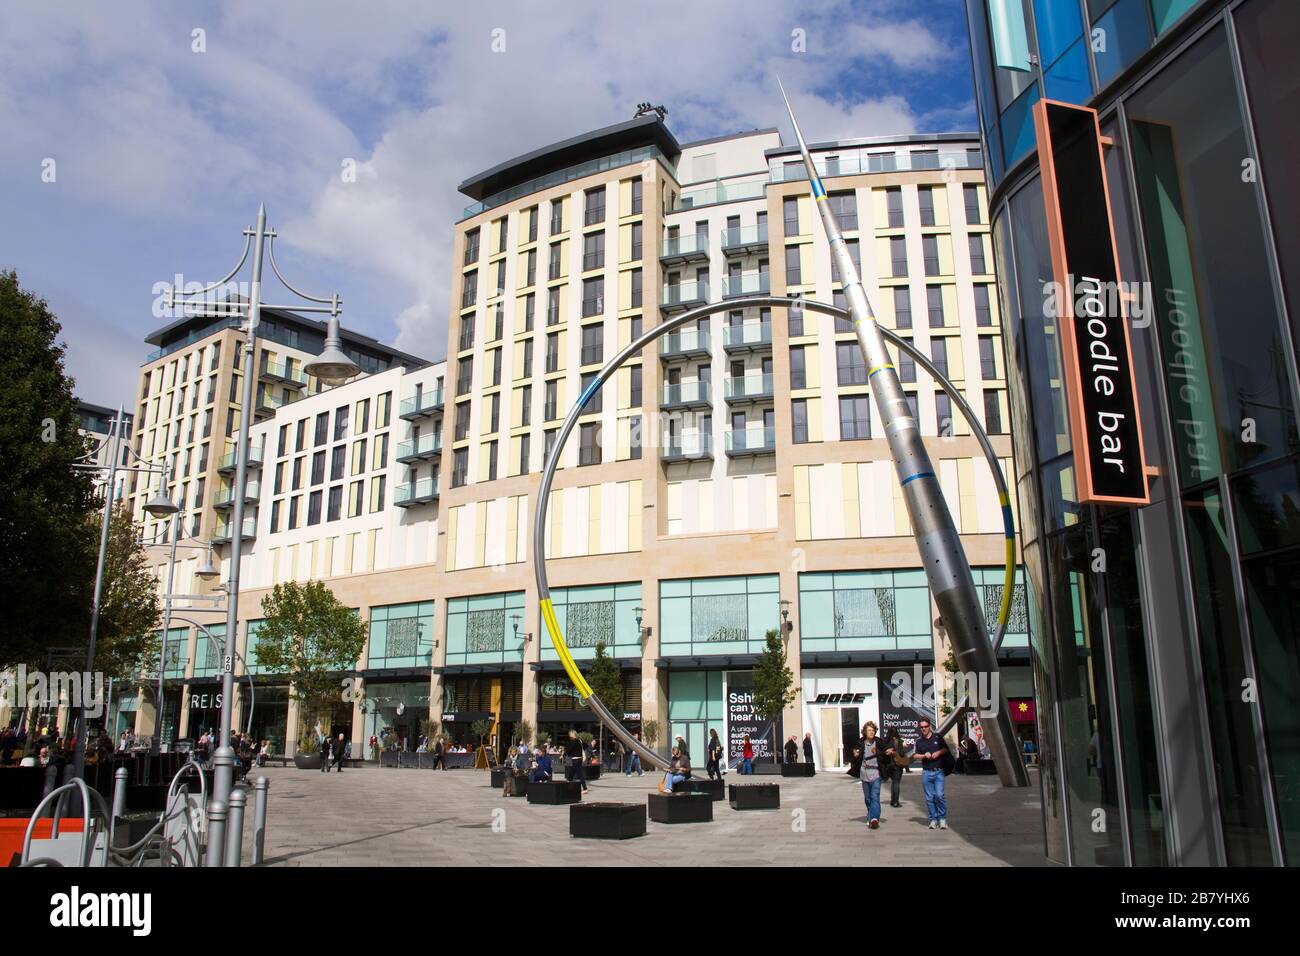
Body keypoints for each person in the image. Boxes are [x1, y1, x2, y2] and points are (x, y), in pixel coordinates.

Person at [912, 718, 950, 829]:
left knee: (939, 795)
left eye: (925, 726)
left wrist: (938, 752)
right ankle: (933, 819)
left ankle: (942, 819)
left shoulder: (937, 737)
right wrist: (924, 755)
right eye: (921, 727)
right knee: (929, 798)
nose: (923, 729)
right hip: (927, 772)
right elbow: (914, 755)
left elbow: (945, 749)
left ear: (929, 726)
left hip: (938, 771)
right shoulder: (919, 741)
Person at [858, 721, 887, 828]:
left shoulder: (879, 742)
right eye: (869, 730)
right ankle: (870, 814)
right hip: (864, 773)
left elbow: (886, 754)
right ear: (865, 732)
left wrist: (888, 752)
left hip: (876, 773)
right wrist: (855, 755)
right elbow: (856, 756)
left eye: (873, 730)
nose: (871, 732)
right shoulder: (861, 742)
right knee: (868, 798)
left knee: (875, 796)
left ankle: (874, 819)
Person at [881, 726, 909, 808]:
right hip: (897, 765)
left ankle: (892, 800)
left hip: (889, 765)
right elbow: (901, 753)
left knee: (893, 782)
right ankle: (895, 801)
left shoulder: (885, 741)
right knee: (896, 782)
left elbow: (883, 753)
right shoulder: (899, 741)